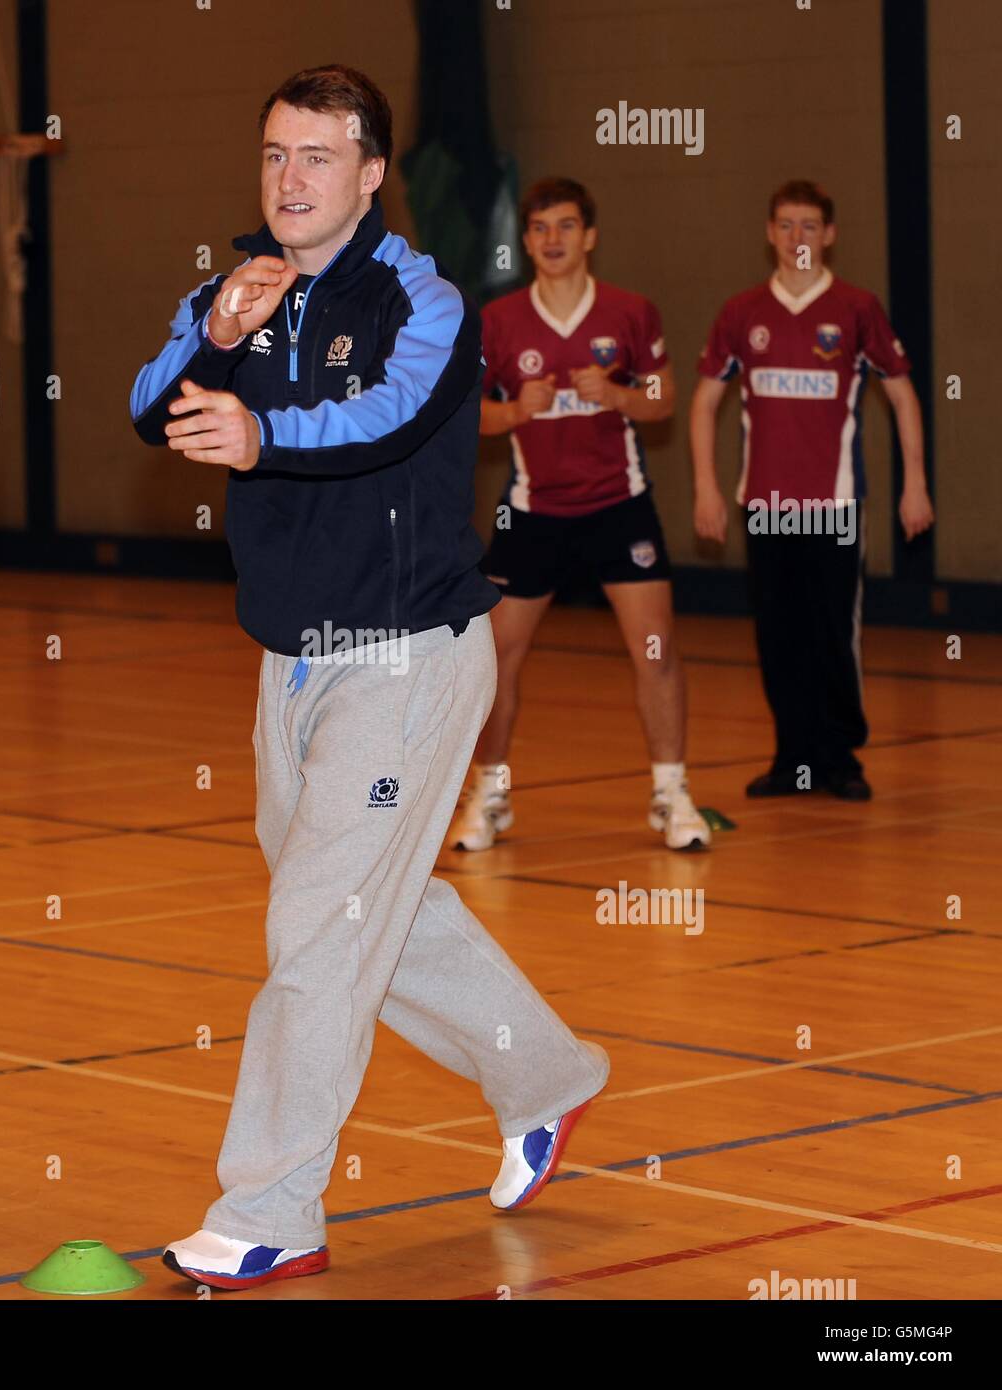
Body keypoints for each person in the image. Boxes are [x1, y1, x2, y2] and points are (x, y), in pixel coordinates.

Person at [129, 66, 608, 1291]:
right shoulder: (235, 286)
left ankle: (272, 1206)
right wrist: (217, 335)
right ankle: (543, 1076)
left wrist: (261, 432)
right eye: (274, 154)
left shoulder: (423, 300)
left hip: (403, 657)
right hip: (288, 665)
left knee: (314, 927)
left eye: (317, 157)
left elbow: (390, 421)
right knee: (367, 914)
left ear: (371, 171)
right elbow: (147, 403)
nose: (289, 179)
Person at [448, 178, 710, 853]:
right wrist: (514, 412)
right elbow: (467, 415)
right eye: (539, 228)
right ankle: (491, 794)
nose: (552, 240)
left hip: (619, 507)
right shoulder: (498, 321)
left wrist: (619, 395)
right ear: (526, 239)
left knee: (653, 651)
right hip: (531, 512)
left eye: (565, 226)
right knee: (496, 658)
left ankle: (672, 795)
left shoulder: (629, 312)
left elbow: (662, 400)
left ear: (588, 236)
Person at [689, 179, 934, 800]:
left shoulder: (856, 308)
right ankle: (792, 758)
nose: (798, 237)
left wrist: (916, 487)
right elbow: (705, 401)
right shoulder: (742, 312)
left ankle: (840, 759)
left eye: (809, 226)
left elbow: (902, 396)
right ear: (770, 232)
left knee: (833, 633)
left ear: (829, 234)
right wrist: (706, 488)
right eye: (786, 225)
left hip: (835, 506)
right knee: (778, 632)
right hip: (765, 507)